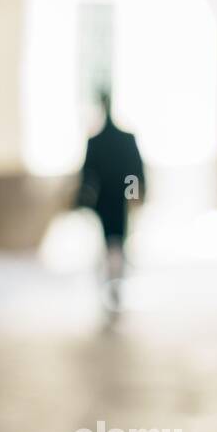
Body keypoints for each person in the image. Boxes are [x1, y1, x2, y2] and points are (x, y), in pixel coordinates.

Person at [76, 91, 146, 314]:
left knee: (111, 242)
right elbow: (135, 171)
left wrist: (85, 200)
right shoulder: (124, 140)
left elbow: (88, 176)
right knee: (117, 242)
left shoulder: (96, 141)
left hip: (106, 200)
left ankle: (113, 283)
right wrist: (134, 196)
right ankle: (114, 283)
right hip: (118, 199)